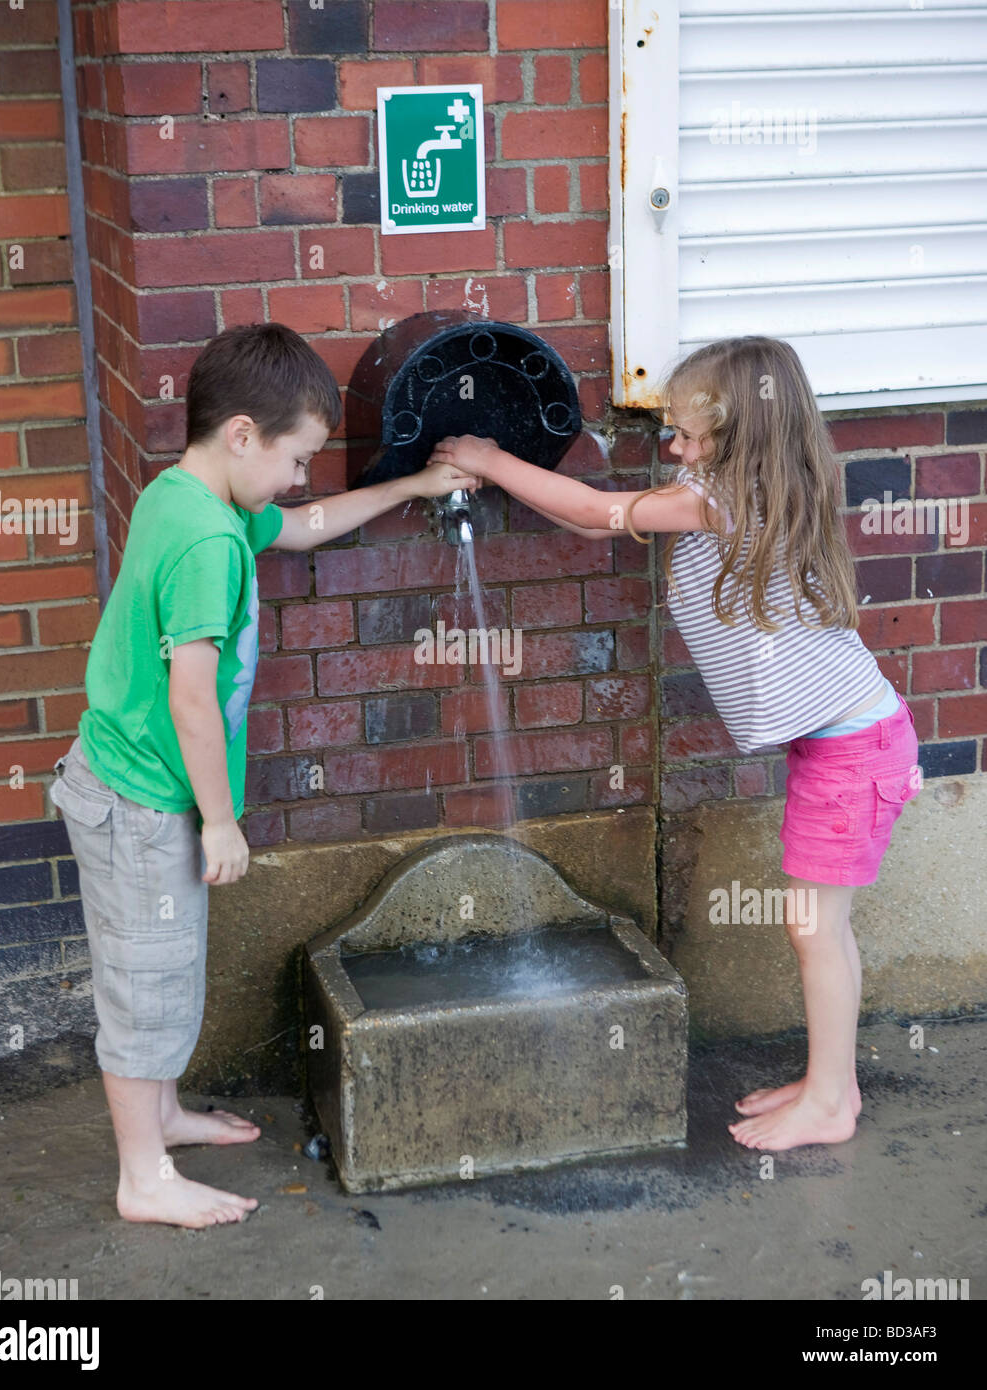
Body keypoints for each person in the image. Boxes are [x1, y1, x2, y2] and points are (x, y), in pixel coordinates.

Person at [427, 335, 921, 1152]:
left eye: (689, 434)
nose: (674, 446)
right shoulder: (723, 482)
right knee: (817, 926)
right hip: (843, 745)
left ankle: (832, 1101)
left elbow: (596, 512)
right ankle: (827, 1081)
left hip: (855, 750)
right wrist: (501, 471)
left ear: (740, 437)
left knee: (812, 927)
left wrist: (488, 453)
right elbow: (598, 527)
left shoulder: (729, 499)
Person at [49, 323, 477, 1227]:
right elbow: (193, 700)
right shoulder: (207, 544)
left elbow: (307, 527)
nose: (298, 480)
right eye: (296, 458)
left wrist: (410, 485)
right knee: (143, 985)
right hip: (144, 799)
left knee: (164, 974)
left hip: (133, 785)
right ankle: (143, 1179)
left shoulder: (186, 498)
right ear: (242, 434)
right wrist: (218, 821)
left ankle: (160, 1116)